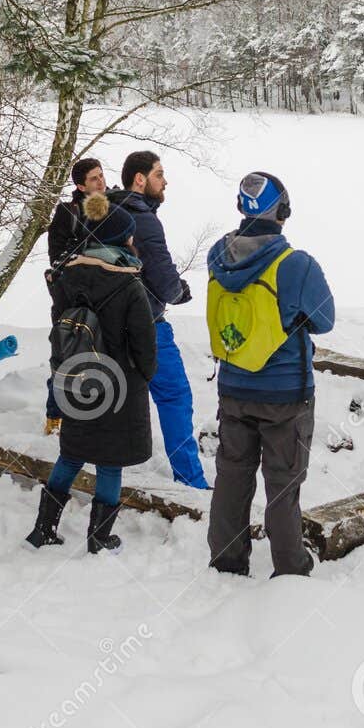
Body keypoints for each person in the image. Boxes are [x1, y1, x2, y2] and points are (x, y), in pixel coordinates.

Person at [205, 173, 335, 578]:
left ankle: (227, 560)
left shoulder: (217, 255)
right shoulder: (296, 264)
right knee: (283, 482)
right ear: (283, 210)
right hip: (284, 393)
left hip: (233, 384)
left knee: (231, 475)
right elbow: (324, 320)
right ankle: (290, 566)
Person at [25, 193, 158, 553]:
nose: (133, 241)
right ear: (118, 239)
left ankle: (43, 529)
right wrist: (144, 375)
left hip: (77, 377)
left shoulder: (67, 277)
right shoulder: (128, 283)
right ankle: (99, 538)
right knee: (110, 462)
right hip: (120, 383)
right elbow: (145, 341)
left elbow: (59, 326)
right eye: (129, 235)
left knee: (71, 453)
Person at [117, 150, 209, 488]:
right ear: (139, 179)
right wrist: (180, 291)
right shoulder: (143, 219)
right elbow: (164, 278)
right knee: (175, 396)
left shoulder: (110, 209)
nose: (165, 180)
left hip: (111, 325)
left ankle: (108, 472)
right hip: (147, 325)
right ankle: (191, 481)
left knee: (118, 396)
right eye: (159, 174)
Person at [43, 157, 108, 435]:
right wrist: (86, 254)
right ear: (81, 185)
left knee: (103, 359)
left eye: (102, 175)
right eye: (94, 178)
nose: (101, 181)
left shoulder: (114, 206)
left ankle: (97, 417)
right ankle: (54, 418)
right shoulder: (67, 213)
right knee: (66, 356)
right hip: (71, 301)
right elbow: (57, 256)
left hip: (105, 299)